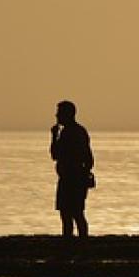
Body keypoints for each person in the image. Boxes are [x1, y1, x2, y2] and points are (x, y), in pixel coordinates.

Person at [50, 100, 94, 237]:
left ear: (67, 114)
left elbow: (55, 154)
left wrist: (54, 137)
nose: (56, 116)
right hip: (72, 178)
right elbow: (89, 158)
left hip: (71, 179)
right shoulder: (79, 131)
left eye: (59, 113)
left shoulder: (71, 133)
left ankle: (74, 242)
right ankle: (78, 242)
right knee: (73, 214)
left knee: (72, 214)